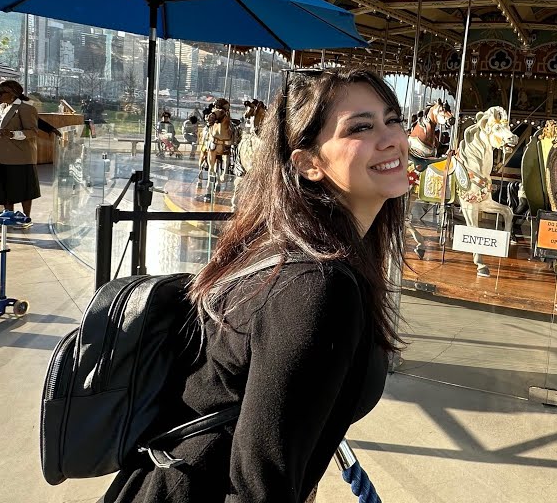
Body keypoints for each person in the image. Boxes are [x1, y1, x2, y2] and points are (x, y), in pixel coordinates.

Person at [103, 68, 407, 503]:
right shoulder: (317, 286)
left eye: (392, 119)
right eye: (361, 126)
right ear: (309, 164)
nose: (390, 137)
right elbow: (256, 486)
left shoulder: (290, 251)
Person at [0, 79, 40, 226]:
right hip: (0, 155)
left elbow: (32, 132)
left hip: (20, 156)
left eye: (0, 92)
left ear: (13, 93)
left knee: (23, 189)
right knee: (4, 189)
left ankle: (25, 218)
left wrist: (12, 134)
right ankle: (8, 216)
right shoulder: (1, 108)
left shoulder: (25, 109)